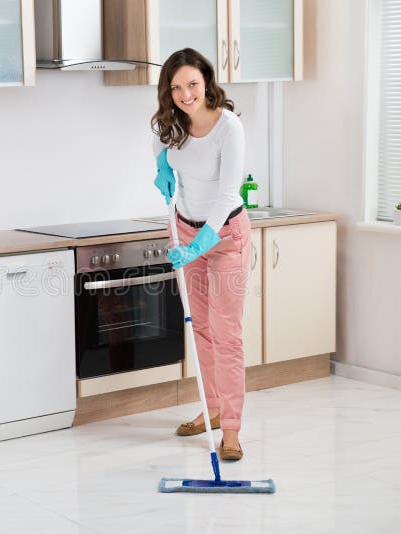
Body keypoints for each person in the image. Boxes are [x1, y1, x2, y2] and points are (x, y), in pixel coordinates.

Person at [150, 48, 251, 461]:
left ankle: (231, 428)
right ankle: (210, 407)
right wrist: (162, 169)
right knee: (201, 330)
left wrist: (200, 244)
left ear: (207, 81)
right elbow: (163, 162)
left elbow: (229, 194)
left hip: (224, 236)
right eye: (176, 88)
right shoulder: (168, 125)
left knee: (226, 334)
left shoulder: (229, 127)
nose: (185, 94)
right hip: (186, 230)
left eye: (192, 84)